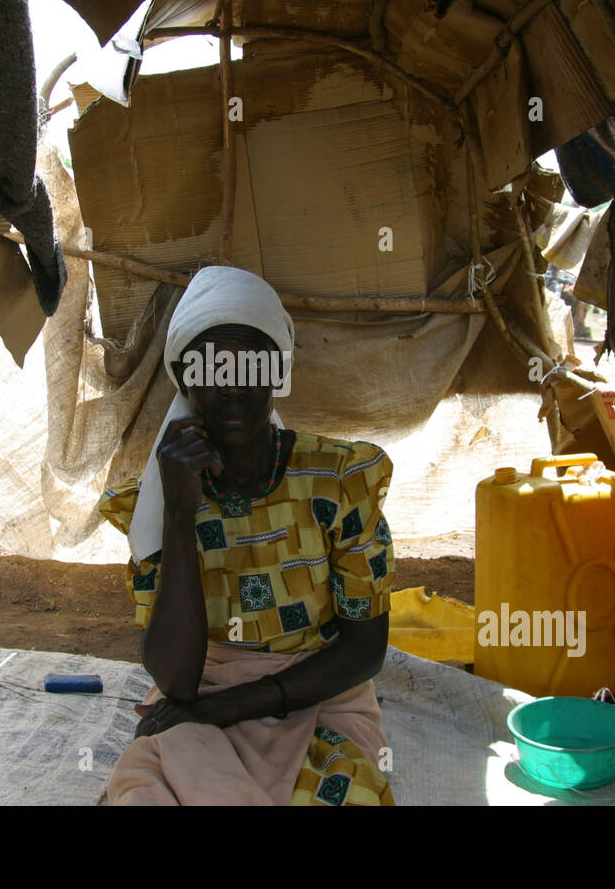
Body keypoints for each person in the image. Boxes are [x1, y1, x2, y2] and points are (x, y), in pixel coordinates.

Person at [97, 265, 396, 805]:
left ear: (277, 372)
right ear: (186, 379)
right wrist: (179, 513)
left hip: (318, 695)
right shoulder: (161, 497)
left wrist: (232, 706)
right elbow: (177, 681)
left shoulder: (339, 481)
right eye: (211, 368)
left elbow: (364, 651)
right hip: (201, 694)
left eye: (252, 365)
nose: (232, 386)